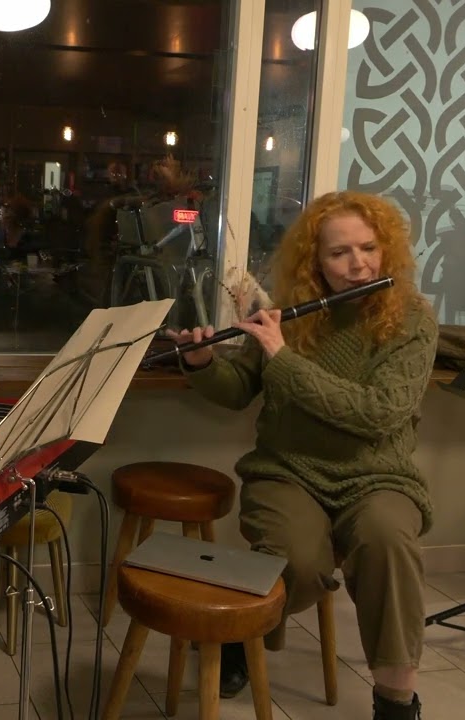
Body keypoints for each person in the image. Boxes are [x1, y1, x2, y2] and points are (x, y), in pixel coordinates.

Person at [167, 191, 437, 720]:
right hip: (289, 470)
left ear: (387, 250)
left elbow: (377, 413)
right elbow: (240, 386)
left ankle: (397, 702)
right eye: (339, 253)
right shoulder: (286, 312)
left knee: (388, 541)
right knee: (301, 562)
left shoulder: (413, 321)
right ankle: (241, 637)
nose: (358, 264)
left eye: (368, 248)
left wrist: (284, 359)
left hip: (379, 476)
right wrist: (200, 363)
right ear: (315, 259)